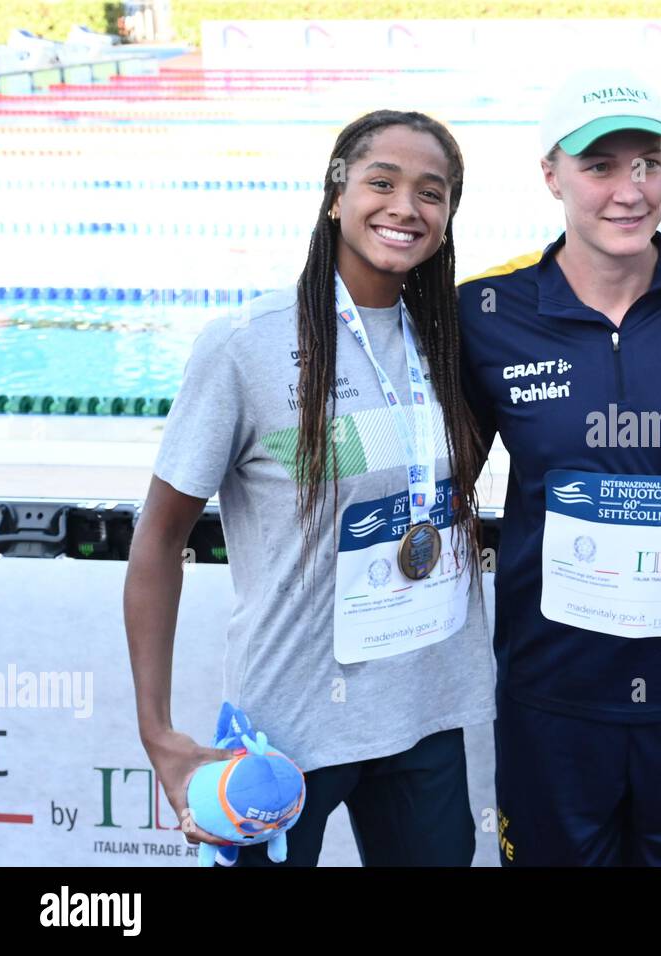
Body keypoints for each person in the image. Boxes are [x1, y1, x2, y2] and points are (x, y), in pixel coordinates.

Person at [124, 110, 495, 867]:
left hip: (423, 713)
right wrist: (158, 732)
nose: (405, 207)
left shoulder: (455, 344)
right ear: (336, 196)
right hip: (286, 728)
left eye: (432, 192)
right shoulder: (246, 345)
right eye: (381, 182)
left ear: (449, 215)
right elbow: (159, 538)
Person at [457, 70, 661, 866]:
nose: (629, 190)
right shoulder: (487, 311)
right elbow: (445, 472)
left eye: (648, 163)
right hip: (552, 686)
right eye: (601, 167)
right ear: (552, 176)